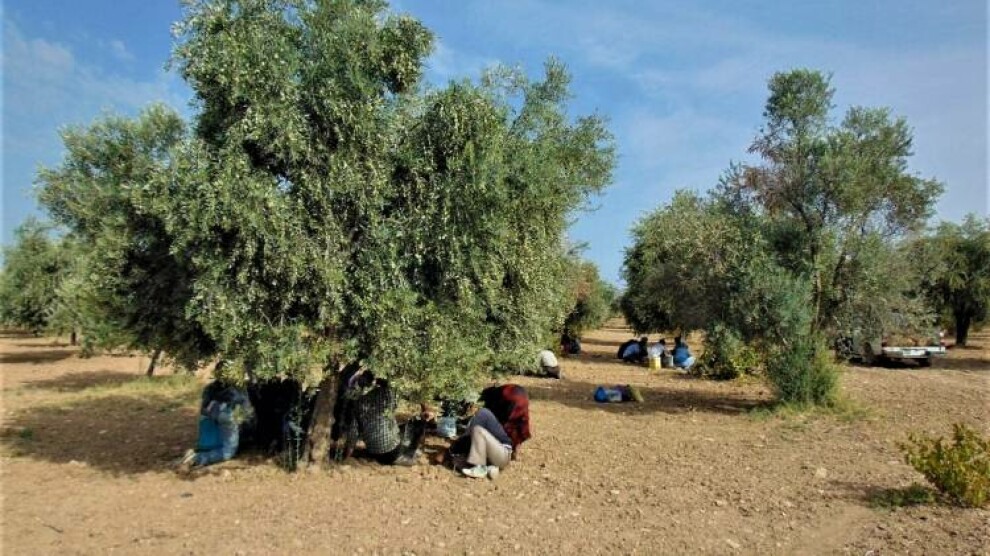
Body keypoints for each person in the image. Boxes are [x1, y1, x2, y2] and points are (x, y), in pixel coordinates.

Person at [331, 367, 425, 466]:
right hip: (392, 452)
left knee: (397, 428)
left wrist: (346, 457)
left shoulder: (358, 404)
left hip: (373, 452)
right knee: (417, 424)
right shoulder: (387, 394)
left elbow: (353, 434)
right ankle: (413, 453)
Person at [179, 380, 254, 469]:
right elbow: (247, 411)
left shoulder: (210, 387)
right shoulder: (239, 388)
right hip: (228, 417)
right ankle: (196, 458)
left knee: (220, 442)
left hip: (212, 417)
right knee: (227, 452)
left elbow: (204, 409)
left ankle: (200, 454)